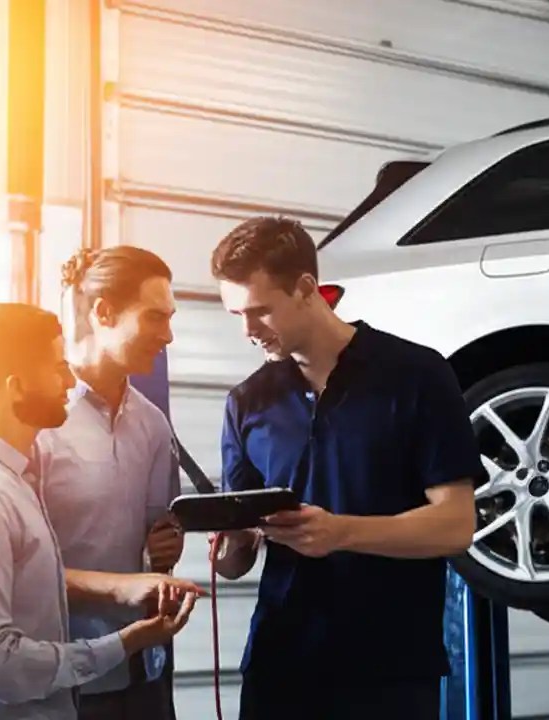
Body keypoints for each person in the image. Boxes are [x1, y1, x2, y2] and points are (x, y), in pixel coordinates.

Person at [208, 217, 479, 719]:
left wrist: (340, 532)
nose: (247, 331)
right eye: (236, 314)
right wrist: (231, 544)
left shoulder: (418, 376)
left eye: (260, 311)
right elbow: (235, 562)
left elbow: (457, 523)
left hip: (389, 673)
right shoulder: (247, 402)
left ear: (307, 288)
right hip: (278, 668)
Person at [0, 302, 199, 720]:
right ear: (16, 387)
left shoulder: (15, 480)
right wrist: (124, 642)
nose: (70, 380)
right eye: (56, 367)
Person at [36, 246, 184, 720]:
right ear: (103, 312)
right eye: (155, 318)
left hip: (143, 676)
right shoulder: (40, 424)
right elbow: (20, 570)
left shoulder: (154, 426)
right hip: (64, 679)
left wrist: (163, 547)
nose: (168, 335)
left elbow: (152, 544)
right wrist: (119, 587)